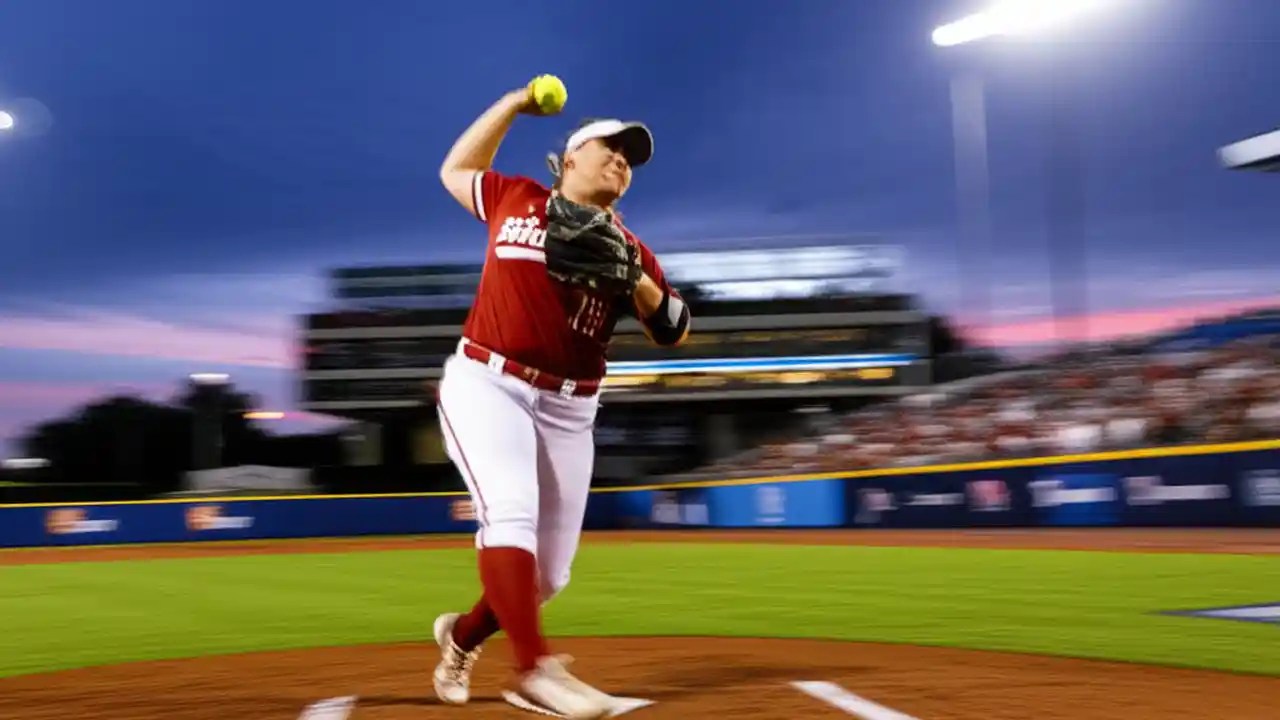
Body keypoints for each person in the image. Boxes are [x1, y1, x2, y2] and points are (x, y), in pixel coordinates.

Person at [430, 76, 691, 720]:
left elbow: (676, 329)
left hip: (572, 409)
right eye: (611, 148)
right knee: (510, 513)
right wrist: (517, 102)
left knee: (549, 577)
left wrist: (637, 284)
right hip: (488, 382)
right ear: (570, 158)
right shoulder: (513, 196)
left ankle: (460, 639)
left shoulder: (632, 250)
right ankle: (533, 673)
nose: (622, 161)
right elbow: (455, 168)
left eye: (630, 158)